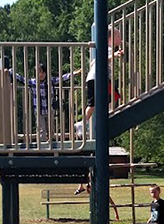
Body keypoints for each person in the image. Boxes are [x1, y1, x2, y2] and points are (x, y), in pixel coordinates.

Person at [75, 25, 124, 193]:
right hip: (97, 79)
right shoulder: (107, 48)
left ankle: (90, 120)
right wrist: (115, 56)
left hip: (100, 79)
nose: (120, 39)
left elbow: (100, 60)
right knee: (95, 104)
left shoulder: (106, 48)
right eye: (118, 36)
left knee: (108, 99)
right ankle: (82, 123)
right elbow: (105, 59)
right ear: (111, 38)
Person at [12, 62, 77, 142]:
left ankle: (49, 143)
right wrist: (10, 71)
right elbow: (21, 78)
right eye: (39, 72)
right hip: (39, 111)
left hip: (49, 109)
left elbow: (62, 78)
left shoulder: (50, 81)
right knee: (41, 129)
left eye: (43, 72)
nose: (41, 74)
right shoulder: (32, 82)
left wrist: (73, 73)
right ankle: (42, 145)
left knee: (51, 129)